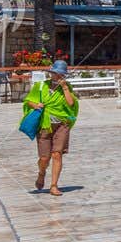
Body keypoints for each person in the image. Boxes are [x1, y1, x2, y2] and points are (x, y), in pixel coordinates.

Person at [24, 59, 79, 197]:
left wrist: (65, 88)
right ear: (51, 73)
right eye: (56, 73)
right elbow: (28, 101)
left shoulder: (67, 87)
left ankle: (54, 185)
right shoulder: (41, 86)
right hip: (44, 125)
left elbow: (71, 104)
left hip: (62, 124)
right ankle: (41, 173)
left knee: (57, 154)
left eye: (61, 74)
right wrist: (35, 105)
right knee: (44, 158)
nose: (58, 76)